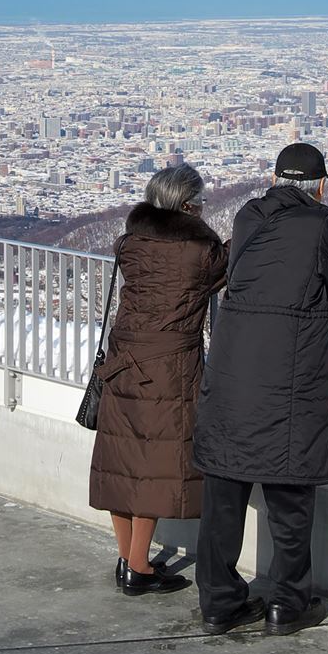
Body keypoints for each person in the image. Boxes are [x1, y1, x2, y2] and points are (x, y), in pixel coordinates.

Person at [192, 142, 328, 635]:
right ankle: (284, 605)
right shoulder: (322, 224)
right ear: (321, 186)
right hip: (291, 386)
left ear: (272, 181)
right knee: (290, 502)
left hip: (231, 380)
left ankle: (218, 603)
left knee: (223, 499)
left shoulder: (248, 218)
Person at [89, 162, 227, 596]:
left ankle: (127, 558)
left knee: (120, 465)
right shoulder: (200, 253)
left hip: (122, 359)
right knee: (151, 470)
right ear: (186, 205)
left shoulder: (131, 244)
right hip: (168, 369)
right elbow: (229, 265)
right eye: (200, 202)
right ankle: (138, 568)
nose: (204, 209)